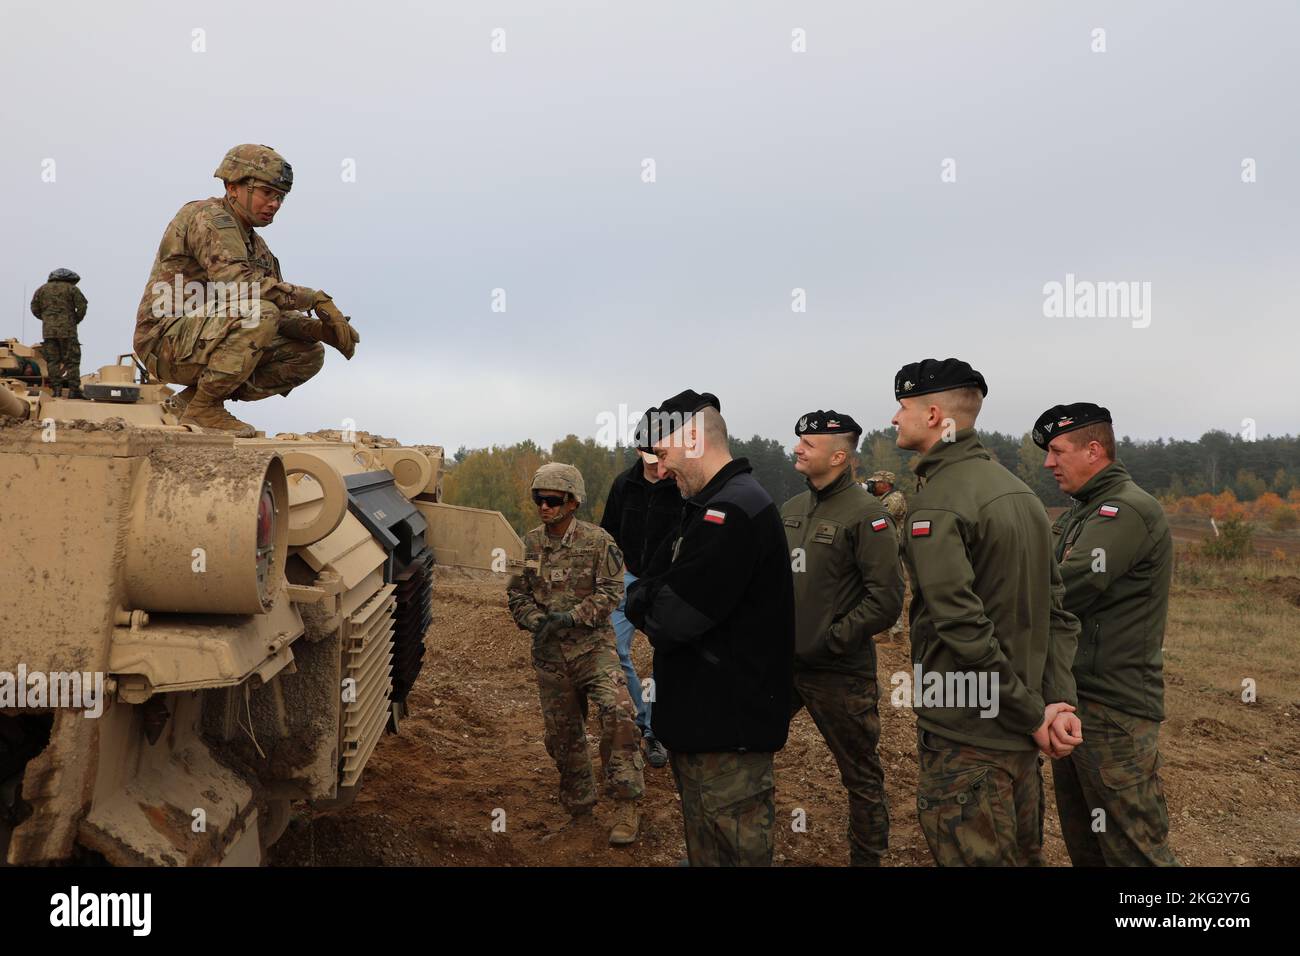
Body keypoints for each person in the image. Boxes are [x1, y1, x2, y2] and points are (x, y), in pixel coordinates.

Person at [892, 358, 1081, 866]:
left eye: (902, 406)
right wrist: (1055, 703)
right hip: (1018, 731)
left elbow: (960, 625)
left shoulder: (939, 503)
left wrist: (1031, 711)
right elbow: (1058, 612)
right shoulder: (1021, 495)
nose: (893, 419)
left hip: (968, 733)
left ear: (934, 414)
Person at [625, 389, 794, 866]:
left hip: (728, 737)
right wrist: (646, 598)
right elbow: (644, 582)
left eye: (663, 453)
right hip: (706, 729)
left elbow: (670, 618)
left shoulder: (731, 511)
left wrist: (647, 601)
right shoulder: (705, 506)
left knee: (732, 854)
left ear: (694, 438)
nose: (659, 468)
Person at [1033, 402, 1180, 866]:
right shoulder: (1082, 512)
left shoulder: (1126, 511)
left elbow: (1068, 584)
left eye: (1057, 452)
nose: (1048, 463)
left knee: (1134, 849)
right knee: (1089, 846)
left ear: (1093, 450)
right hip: (1079, 700)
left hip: (1113, 708)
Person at [133, 144, 360, 437]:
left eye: (280, 197)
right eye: (267, 192)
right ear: (233, 187)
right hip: (163, 339)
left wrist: (318, 331)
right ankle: (205, 409)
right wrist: (314, 298)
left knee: (307, 354)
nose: (274, 204)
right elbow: (239, 287)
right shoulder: (206, 217)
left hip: (204, 336)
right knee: (259, 313)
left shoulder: (257, 247)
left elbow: (280, 314)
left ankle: (194, 402)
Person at [782, 410, 903, 865]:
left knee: (860, 775)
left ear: (838, 456)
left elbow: (886, 599)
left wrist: (832, 638)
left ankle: (868, 857)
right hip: (785, 665)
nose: (797, 448)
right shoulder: (791, 510)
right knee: (749, 746)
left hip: (840, 673)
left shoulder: (868, 516)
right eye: (798, 441)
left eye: (808, 444)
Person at [506, 462, 645, 845]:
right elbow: (516, 594)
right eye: (539, 499)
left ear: (572, 502)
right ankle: (580, 809)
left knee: (619, 714)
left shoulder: (600, 542)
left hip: (594, 651)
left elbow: (612, 593)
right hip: (551, 657)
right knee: (564, 737)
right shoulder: (530, 544)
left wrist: (572, 615)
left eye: (552, 500)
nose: (544, 507)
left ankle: (627, 805)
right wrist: (534, 618)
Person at [600, 419, 683, 769]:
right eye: (647, 452)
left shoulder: (680, 486)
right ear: (638, 450)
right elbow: (608, 532)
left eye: (658, 452)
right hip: (628, 579)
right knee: (617, 652)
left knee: (669, 659)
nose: (654, 460)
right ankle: (642, 722)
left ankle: (661, 732)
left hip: (666, 584)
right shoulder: (624, 485)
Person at [30, 268, 87, 397]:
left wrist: (46, 319)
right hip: (68, 330)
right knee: (72, 360)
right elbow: (82, 306)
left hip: (48, 331)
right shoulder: (72, 289)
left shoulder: (41, 290)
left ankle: (56, 390)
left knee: (53, 361)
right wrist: (75, 320)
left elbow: (34, 308)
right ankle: (74, 391)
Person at [866, 469, 908, 638]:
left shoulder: (895, 499)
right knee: (881, 589)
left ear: (885, 484)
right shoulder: (883, 499)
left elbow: (880, 518)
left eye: (875, 483)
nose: (872, 486)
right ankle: (883, 628)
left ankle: (897, 632)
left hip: (893, 550)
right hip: (884, 550)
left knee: (892, 588)